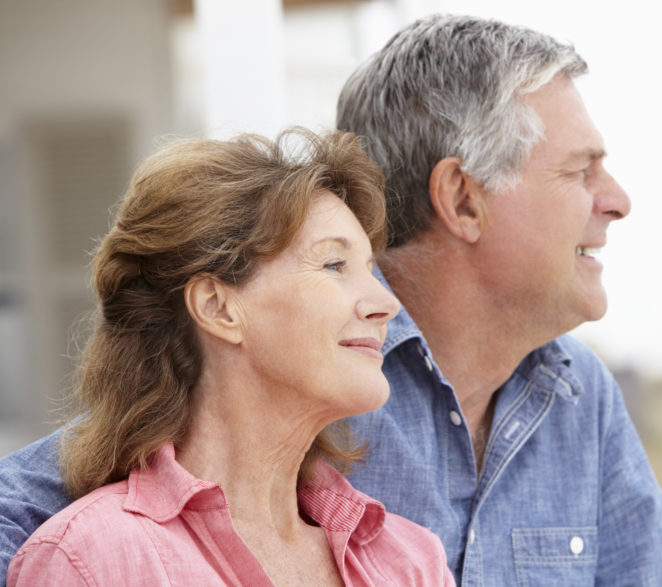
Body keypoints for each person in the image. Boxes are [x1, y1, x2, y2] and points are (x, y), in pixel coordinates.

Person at [0, 14, 662, 586]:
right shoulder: (306, 367)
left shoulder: (578, 398)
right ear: (461, 199)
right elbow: (63, 506)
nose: (616, 201)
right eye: (578, 170)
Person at [4, 127, 454, 585]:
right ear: (218, 308)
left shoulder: (413, 561)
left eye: (370, 270)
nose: (386, 305)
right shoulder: (90, 560)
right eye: (334, 265)